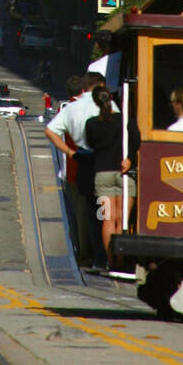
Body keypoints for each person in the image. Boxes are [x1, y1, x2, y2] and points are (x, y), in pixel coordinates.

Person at [45, 76, 110, 268]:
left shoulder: (71, 108)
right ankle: (97, 253)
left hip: (76, 168)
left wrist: (69, 153)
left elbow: (50, 131)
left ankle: (86, 252)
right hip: (102, 165)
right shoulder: (105, 107)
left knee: (85, 213)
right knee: (100, 213)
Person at [85, 91, 141, 273]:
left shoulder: (92, 124)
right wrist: (129, 159)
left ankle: (111, 261)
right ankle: (122, 259)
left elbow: (91, 144)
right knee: (123, 218)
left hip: (102, 174)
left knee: (108, 219)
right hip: (124, 173)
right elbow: (136, 138)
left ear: (95, 102)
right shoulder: (125, 121)